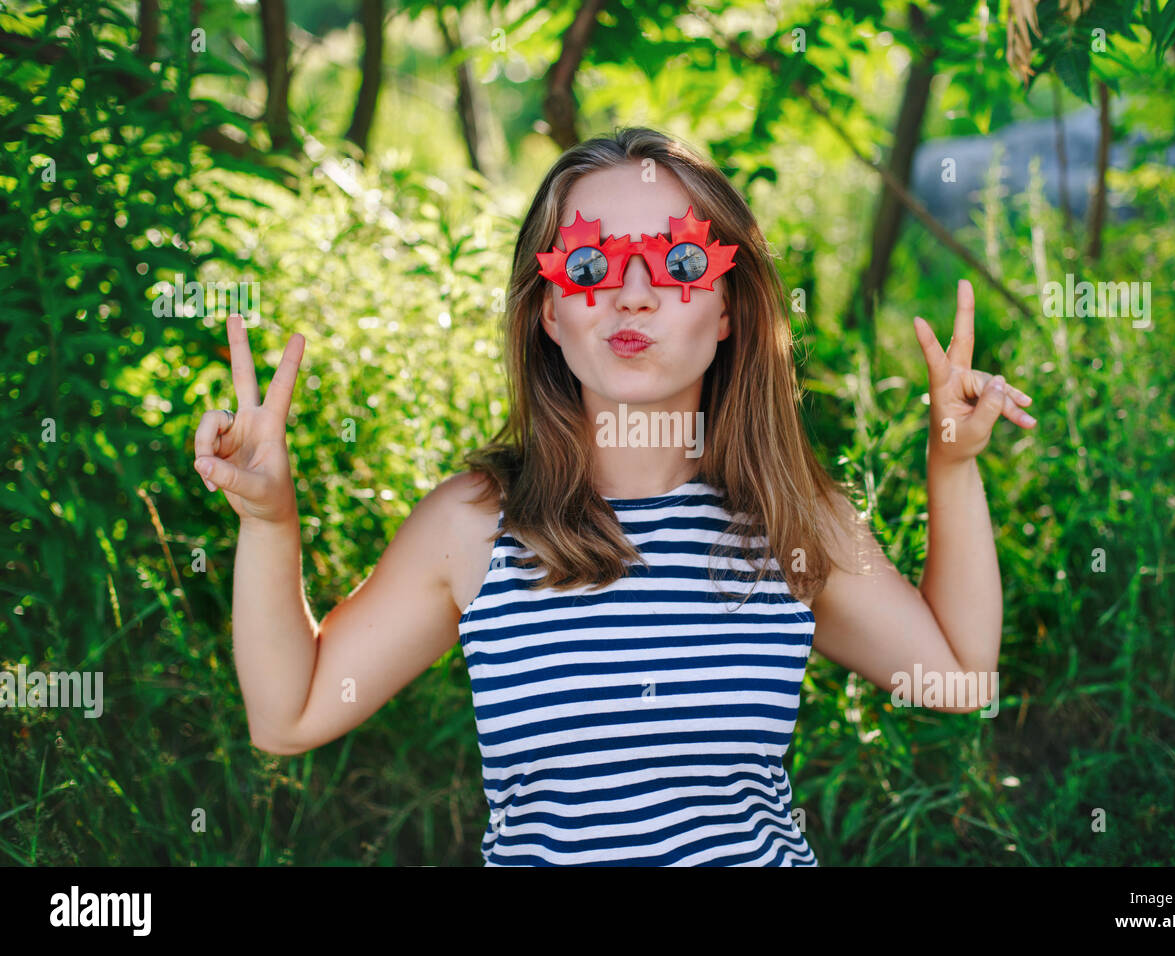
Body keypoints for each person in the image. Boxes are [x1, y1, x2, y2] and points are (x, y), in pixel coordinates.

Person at [191, 127, 1036, 866]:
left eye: (678, 263)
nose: (633, 293)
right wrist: (270, 521)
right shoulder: (475, 526)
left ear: (729, 310)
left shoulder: (788, 522)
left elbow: (958, 678)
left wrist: (951, 465)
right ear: (550, 313)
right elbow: (289, 715)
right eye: (591, 264)